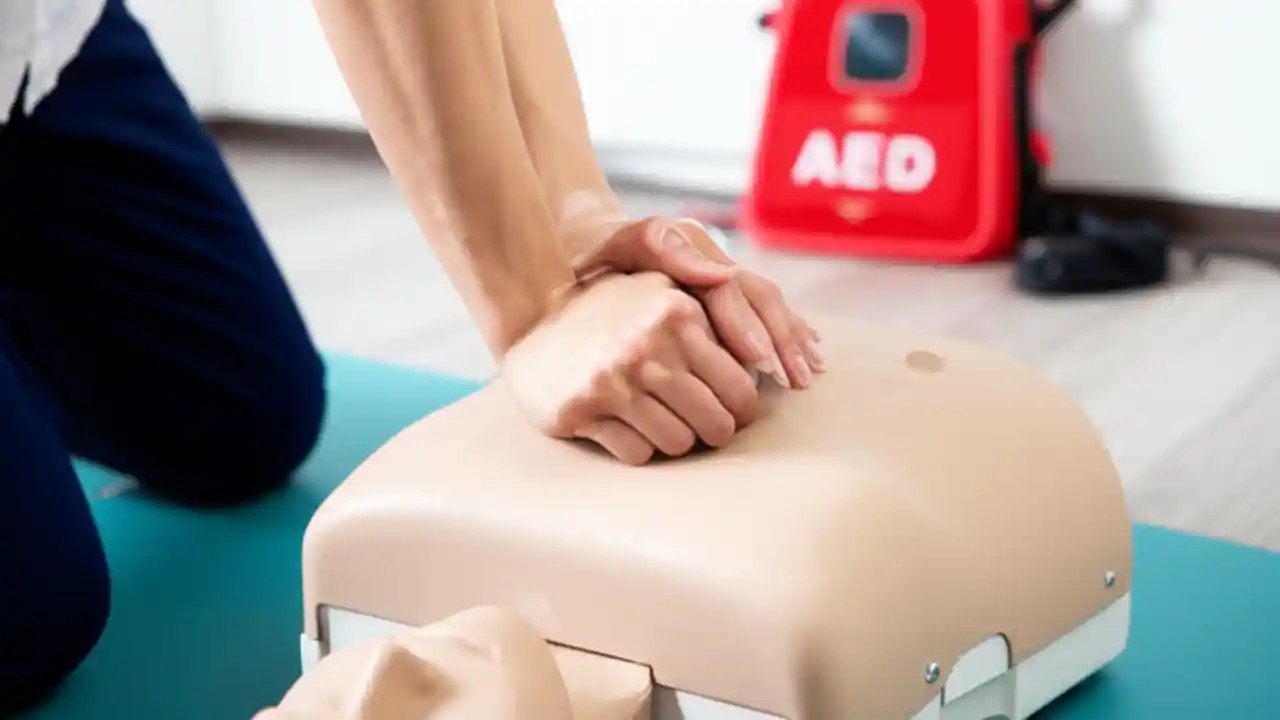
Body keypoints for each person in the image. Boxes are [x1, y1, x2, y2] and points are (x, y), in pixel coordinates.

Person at [0, 0, 817, 711]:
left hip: (40, 42)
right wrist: (532, 311)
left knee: (237, 423)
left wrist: (578, 227)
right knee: (28, 613)